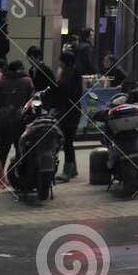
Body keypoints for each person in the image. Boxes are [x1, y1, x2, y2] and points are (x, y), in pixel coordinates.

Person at [0, 59, 34, 170]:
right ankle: (19, 173)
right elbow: (32, 101)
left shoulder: (3, 81)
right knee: (20, 147)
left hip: (3, 119)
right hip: (20, 119)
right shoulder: (27, 81)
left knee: (3, 149)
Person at [52, 51, 85, 179]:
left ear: (66, 61)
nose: (59, 63)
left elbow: (75, 92)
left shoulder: (75, 73)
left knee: (67, 141)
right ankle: (73, 169)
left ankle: (67, 171)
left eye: (61, 60)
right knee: (67, 140)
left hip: (72, 111)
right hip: (64, 109)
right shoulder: (64, 73)